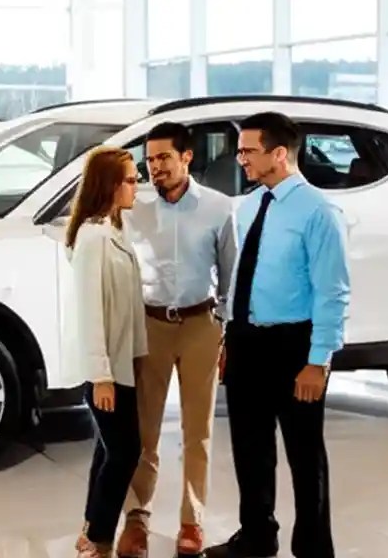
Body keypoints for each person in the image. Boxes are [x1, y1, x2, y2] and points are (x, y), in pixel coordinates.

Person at [205, 112, 348, 558]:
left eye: (249, 150)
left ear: (280, 154)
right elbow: (239, 280)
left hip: (295, 347)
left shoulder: (319, 212)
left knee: (305, 457)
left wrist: (317, 360)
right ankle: (256, 536)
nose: (240, 158)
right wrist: (230, 338)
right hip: (247, 343)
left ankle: (313, 549)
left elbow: (332, 292)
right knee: (250, 451)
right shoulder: (249, 207)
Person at [115, 122, 236, 558]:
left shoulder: (220, 209)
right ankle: (137, 518)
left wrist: (226, 329)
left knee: (197, 431)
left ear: (187, 157)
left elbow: (231, 275)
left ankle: (192, 520)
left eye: (164, 157)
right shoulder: (136, 211)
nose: (155, 167)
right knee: (144, 430)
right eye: (149, 160)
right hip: (151, 326)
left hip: (202, 324)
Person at [62, 146, 149, 558]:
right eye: (131, 180)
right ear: (111, 185)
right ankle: (98, 537)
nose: (137, 187)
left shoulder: (114, 230)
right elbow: (90, 309)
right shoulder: (93, 237)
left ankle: (91, 531)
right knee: (125, 451)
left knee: (110, 448)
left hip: (122, 365)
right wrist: (101, 375)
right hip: (107, 370)